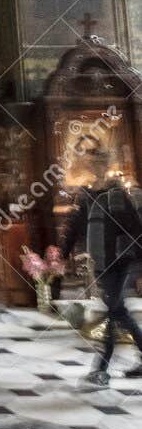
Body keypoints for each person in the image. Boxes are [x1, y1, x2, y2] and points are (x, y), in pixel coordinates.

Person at [62, 161, 142, 387]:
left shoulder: (103, 201)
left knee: (116, 311)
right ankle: (102, 369)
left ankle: (100, 369)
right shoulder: (96, 201)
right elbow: (74, 227)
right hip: (113, 264)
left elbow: (136, 233)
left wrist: (64, 252)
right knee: (118, 312)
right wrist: (64, 253)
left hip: (114, 265)